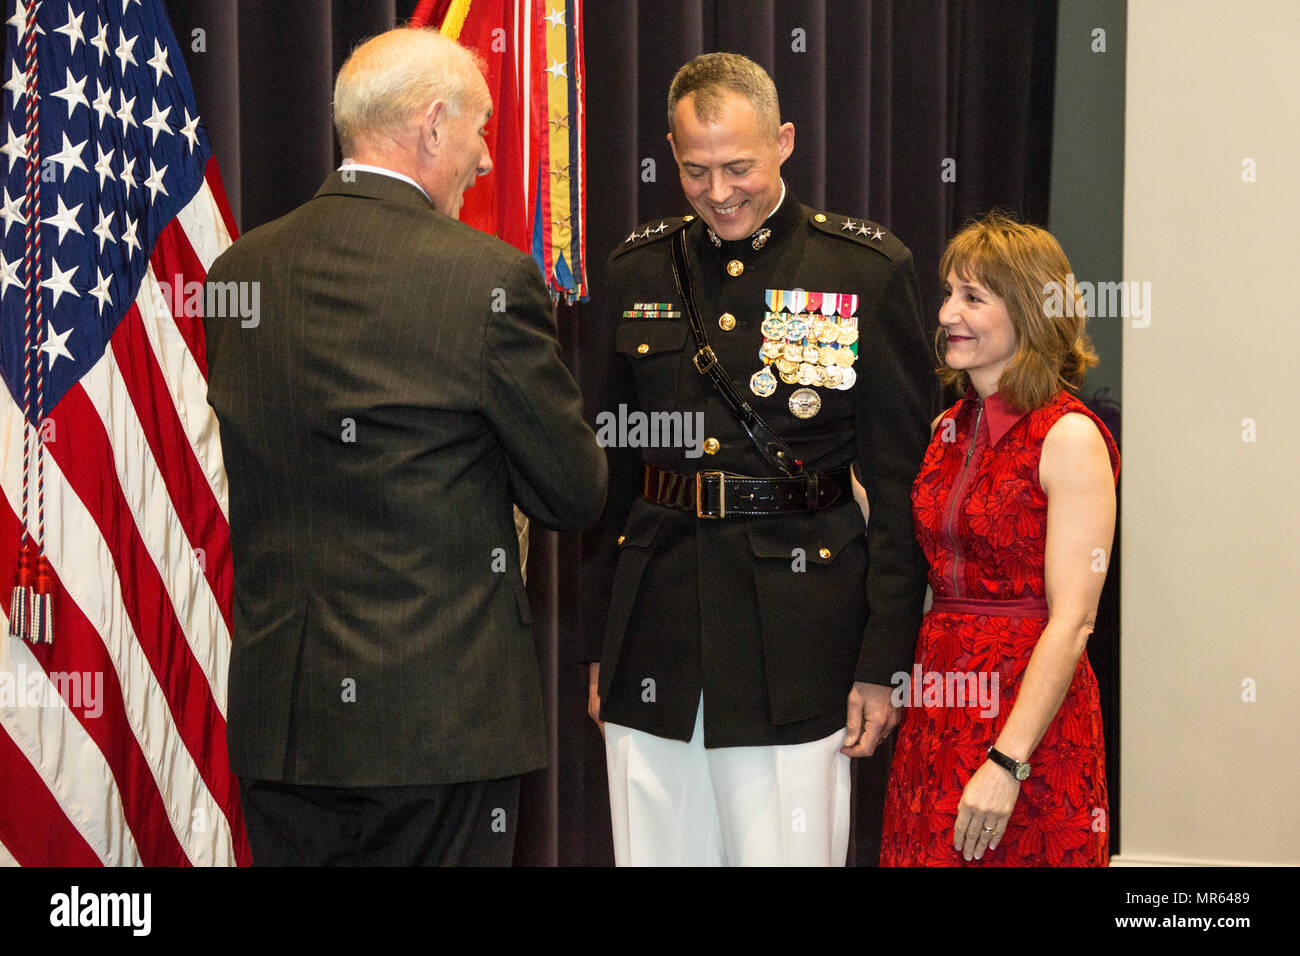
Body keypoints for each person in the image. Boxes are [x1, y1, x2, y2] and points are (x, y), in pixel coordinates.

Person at [203, 28, 607, 866]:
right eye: (481, 128)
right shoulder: (485, 279)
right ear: (431, 127)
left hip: (285, 727)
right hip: (436, 728)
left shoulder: (240, 273)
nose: (488, 159)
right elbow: (573, 491)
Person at [581, 52, 934, 866]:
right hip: (656, 630)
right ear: (671, 154)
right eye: (695, 170)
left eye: (738, 165)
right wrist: (602, 642)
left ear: (784, 141)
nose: (718, 190)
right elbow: (610, 472)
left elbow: (899, 485)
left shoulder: (863, 270)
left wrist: (882, 664)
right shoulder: (638, 266)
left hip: (798, 636)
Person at [879, 212, 1119, 866]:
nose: (947, 312)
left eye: (973, 297)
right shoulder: (946, 427)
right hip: (938, 711)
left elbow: (1073, 621)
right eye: (949, 293)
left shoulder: (1070, 437)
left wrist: (1007, 763)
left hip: (1027, 725)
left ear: (1031, 315)